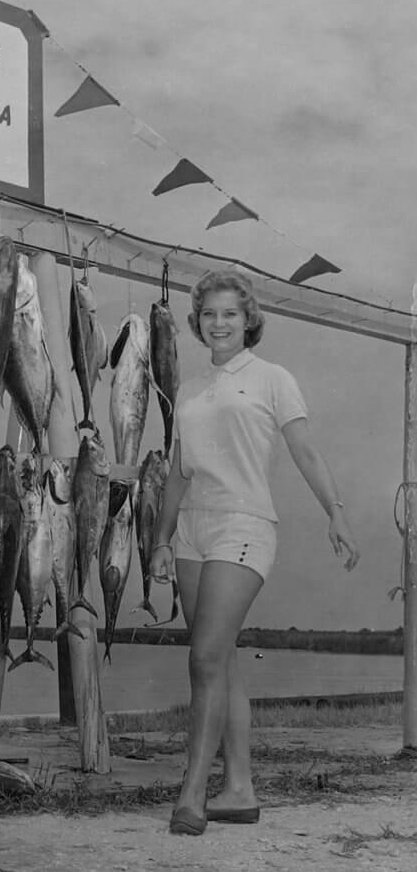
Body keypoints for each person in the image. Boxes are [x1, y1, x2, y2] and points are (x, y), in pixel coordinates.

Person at [149, 268, 359, 836]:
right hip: (191, 529)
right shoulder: (189, 389)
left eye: (230, 314)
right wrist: (162, 539)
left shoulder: (272, 378)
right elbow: (176, 472)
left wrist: (334, 511)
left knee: (204, 660)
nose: (219, 324)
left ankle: (192, 792)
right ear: (197, 323)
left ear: (249, 321)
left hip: (244, 526)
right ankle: (238, 788)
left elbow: (306, 452)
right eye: (209, 315)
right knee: (221, 659)